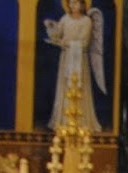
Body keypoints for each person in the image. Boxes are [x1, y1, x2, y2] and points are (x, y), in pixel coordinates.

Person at [42, 0, 106, 131]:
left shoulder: (86, 21)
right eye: (71, 3)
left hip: (79, 59)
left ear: (82, 5)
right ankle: (64, 121)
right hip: (66, 58)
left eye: (76, 3)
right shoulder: (65, 19)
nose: (73, 6)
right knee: (66, 85)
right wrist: (51, 26)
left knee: (78, 85)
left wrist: (67, 43)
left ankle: (81, 122)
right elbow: (57, 35)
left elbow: (85, 42)